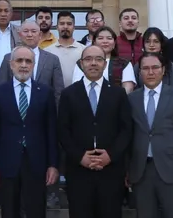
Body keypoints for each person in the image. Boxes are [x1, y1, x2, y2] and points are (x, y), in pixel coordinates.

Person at [58, 44, 133, 218]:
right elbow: (63, 130)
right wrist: (80, 157)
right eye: (88, 59)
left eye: (98, 59)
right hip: (78, 170)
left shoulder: (118, 93)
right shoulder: (69, 94)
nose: (93, 63)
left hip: (110, 170)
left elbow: (126, 130)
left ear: (105, 64)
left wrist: (110, 155)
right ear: (81, 64)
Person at [0, 46, 60, 218]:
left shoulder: (45, 93)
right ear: (11, 64)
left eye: (28, 61)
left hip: (37, 163)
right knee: (9, 211)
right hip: (7, 164)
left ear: (34, 65)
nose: (24, 65)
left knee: (36, 211)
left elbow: (51, 131)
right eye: (19, 61)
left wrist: (53, 165)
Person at [128, 52, 173, 218]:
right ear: (140, 72)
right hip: (141, 171)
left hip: (172, 169)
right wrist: (127, 169)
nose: (151, 72)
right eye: (146, 68)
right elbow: (128, 136)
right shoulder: (131, 99)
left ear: (163, 70)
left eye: (155, 67)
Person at [0, 20, 65, 103]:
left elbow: (58, 92)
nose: (29, 35)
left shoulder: (52, 59)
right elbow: (0, 88)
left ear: (40, 35)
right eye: (26, 31)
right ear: (19, 35)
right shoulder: (8, 58)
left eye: (33, 31)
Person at [75, 26, 137, 92]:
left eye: (109, 38)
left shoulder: (124, 64)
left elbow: (128, 89)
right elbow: (76, 88)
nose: (105, 41)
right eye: (100, 38)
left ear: (114, 43)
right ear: (94, 42)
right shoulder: (82, 63)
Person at [50, 10, 85, 86]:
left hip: (77, 94)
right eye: (62, 23)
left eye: (69, 24)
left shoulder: (84, 50)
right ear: (57, 27)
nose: (65, 26)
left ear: (74, 27)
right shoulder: (47, 51)